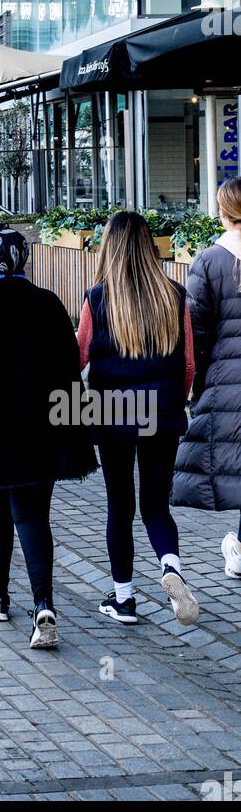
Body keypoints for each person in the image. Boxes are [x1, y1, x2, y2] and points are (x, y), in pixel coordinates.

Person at [0, 229, 97, 649]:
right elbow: (70, 365)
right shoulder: (47, 303)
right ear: (24, 259)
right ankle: (43, 602)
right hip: (40, 427)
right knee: (33, 514)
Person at [77, 211, 198, 627]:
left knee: (119, 506)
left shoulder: (98, 297)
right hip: (163, 413)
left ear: (109, 247)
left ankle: (124, 600)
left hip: (113, 413)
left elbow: (78, 357)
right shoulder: (175, 295)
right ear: (150, 247)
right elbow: (187, 364)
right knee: (156, 506)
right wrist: (173, 403)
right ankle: (170, 568)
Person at [173, 177, 241, 586]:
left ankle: (237, 547)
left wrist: (195, 388)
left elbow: (195, 332)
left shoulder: (209, 261)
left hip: (225, 379)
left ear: (222, 211)